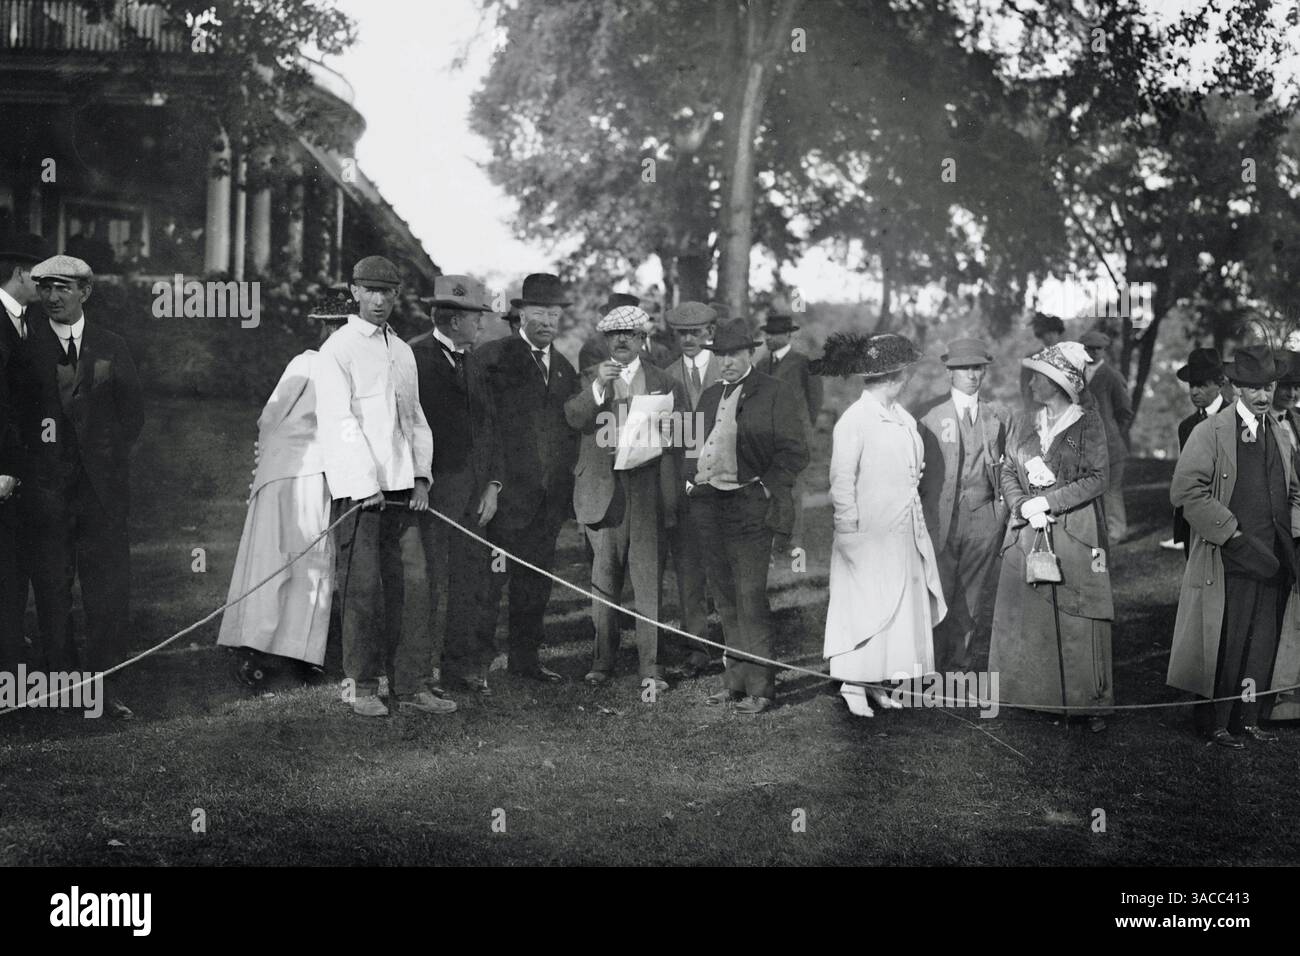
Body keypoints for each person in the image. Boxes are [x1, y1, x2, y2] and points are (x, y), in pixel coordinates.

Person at [19, 255, 143, 719]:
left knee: (107, 592)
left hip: (102, 497)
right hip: (46, 494)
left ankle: (106, 688)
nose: (52, 297)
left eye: (63, 288)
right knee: (52, 591)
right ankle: (61, 688)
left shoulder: (112, 345)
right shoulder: (25, 349)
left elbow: (133, 416)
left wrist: (104, 463)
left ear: (85, 292)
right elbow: (16, 418)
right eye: (45, 288)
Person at [316, 255, 439, 718]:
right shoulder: (340, 349)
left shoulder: (402, 350)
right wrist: (366, 484)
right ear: (354, 291)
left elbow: (415, 419)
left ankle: (410, 685)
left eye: (388, 291)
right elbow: (339, 423)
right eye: (371, 291)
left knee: (414, 586)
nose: (380, 300)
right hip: (360, 494)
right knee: (362, 591)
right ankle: (362, 687)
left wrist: (422, 477)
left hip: (405, 490)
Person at [217, 288, 352, 685]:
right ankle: (253, 648)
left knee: (313, 561)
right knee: (272, 561)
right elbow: (269, 418)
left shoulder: (351, 368)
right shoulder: (307, 362)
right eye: (337, 326)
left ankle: (300, 651)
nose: (342, 333)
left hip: (324, 480)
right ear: (326, 328)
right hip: (287, 477)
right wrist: (268, 469)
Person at [1168, 345, 1300, 747]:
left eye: (1269, 386)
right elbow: (1186, 492)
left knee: (1261, 640)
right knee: (1225, 638)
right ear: (1237, 387)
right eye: (1254, 387)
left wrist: (1290, 535)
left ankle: (1247, 718)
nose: (1263, 395)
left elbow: (1294, 492)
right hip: (1229, 555)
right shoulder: (1211, 431)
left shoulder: (1278, 432)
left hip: (1273, 557)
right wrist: (1232, 534)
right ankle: (1214, 722)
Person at [818, 332, 946, 717]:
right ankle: (852, 684)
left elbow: (909, 466)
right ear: (894, 375)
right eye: (904, 371)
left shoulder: (902, 417)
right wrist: (848, 531)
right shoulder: (854, 420)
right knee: (864, 605)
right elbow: (841, 480)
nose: (906, 377)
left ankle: (877, 680)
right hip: (868, 529)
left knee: (897, 605)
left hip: (903, 526)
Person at [990, 341, 1113, 733]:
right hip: (1028, 529)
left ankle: (1083, 702)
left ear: (1059, 384)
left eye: (1038, 380)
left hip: (1075, 530)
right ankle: (1030, 694)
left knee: (1078, 613)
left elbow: (1098, 478)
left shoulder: (1088, 423)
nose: (1030, 387)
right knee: (1027, 611)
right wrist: (1022, 504)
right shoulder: (1025, 422)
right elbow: (1008, 468)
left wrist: (1049, 503)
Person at [687, 318, 808, 714]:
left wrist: (767, 487)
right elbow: (690, 448)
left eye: (734, 355)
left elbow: (794, 451)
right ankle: (734, 683)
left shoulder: (775, 392)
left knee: (750, 596)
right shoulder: (707, 397)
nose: (726, 363)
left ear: (750, 353)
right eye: (719, 356)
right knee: (724, 599)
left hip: (750, 505)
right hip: (709, 507)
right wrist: (692, 482)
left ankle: (762, 688)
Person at [565, 305, 687, 693]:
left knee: (648, 580)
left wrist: (669, 431)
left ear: (641, 340)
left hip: (648, 490)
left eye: (629, 334)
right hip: (604, 491)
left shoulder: (664, 381)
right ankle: (602, 662)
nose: (621, 340)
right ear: (605, 340)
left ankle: (651, 666)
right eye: (613, 335)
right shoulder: (590, 379)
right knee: (604, 579)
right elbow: (572, 419)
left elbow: (687, 437)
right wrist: (598, 387)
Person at [473, 273, 580, 682]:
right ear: (519, 314)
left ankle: (525, 660)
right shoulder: (494, 359)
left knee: (535, 585)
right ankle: (474, 666)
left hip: (546, 502)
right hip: (502, 499)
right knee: (489, 584)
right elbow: (482, 430)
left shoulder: (565, 370)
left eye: (554, 313)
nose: (548, 321)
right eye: (539, 312)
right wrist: (491, 485)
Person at [402, 275, 502, 699]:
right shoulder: (413, 357)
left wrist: (493, 486)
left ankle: (462, 667)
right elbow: (405, 427)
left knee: (469, 581)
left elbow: (490, 428)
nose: (481, 325)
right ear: (454, 318)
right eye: (475, 317)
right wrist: (418, 483)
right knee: (429, 586)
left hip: (475, 498)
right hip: (431, 496)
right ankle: (424, 674)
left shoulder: (473, 360)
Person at [915, 338, 1009, 673]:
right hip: (940, 519)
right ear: (950, 372)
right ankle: (930, 665)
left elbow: (1010, 467)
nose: (972, 374)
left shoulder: (997, 415)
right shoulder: (929, 416)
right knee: (937, 592)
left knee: (971, 598)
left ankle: (958, 668)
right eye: (963, 368)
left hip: (983, 518)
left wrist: (1000, 515)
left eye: (977, 367)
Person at [660, 301, 722, 675]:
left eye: (696, 333)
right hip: (683, 487)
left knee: (726, 566)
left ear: (709, 334)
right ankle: (697, 647)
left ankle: (735, 645)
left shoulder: (728, 370)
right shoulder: (664, 377)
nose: (688, 339)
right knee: (688, 568)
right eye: (682, 333)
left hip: (726, 485)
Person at [0, 231, 50, 665]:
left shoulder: (26, 322)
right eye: (41, 278)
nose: (48, 288)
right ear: (20, 273)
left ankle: (10, 646)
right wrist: (6, 465)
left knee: (14, 562)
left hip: (22, 467)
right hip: (4, 466)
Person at [755, 313, 823, 551]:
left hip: (794, 437)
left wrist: (803, 428)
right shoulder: (762, 364)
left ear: (787, 335)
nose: (769, 338)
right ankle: (774, 539)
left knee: (794, 488)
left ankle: (795, 540)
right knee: (770, 488)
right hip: (767, 437)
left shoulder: (803, 362)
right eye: (767, 334)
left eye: (774, 334)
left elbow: (814, 401)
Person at [1163, 348, 1227, 554]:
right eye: (1192, 385)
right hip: (1193, 518)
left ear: (1220, 384)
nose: (1194, 391)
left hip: (1226, 514)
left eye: (1202, 384)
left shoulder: (1234, 420)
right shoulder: (1186, 426)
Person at [1081, 330, 1134, 543]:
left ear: (1104, 350)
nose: (1093, 352)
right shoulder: (1077, 374)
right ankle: (1094, 531)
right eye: (1089, 348)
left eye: (1098, 348)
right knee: (1088, 488)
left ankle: (1117, 532)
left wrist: (1111, 432)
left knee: (1111, 489)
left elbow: (1124, 411)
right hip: (1085, 444)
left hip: (1110, 445)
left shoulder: (1112, 376)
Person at [1019, 312, 1064, 407]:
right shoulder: (1030, 359)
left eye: (1054, 332)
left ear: (1058, 333)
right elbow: (1025, 388)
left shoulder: (1068, 357)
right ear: (1041, 335)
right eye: (1047, 333)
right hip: (1039, 408)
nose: (1051, 336)